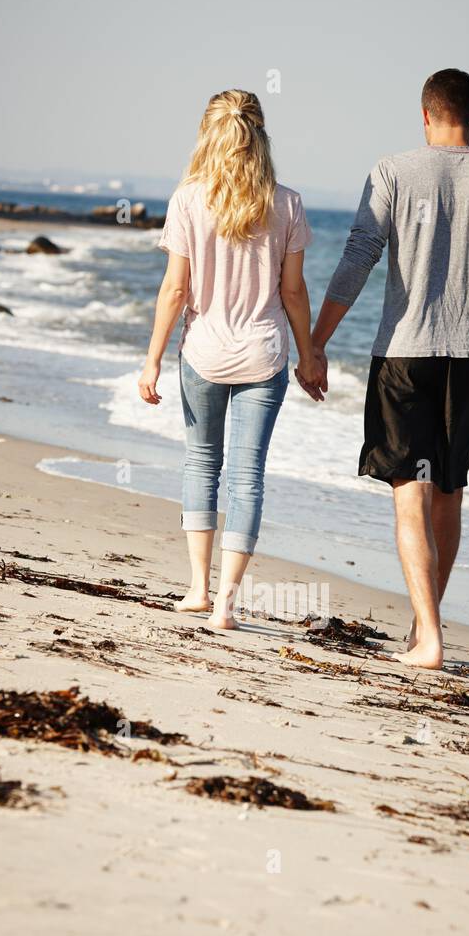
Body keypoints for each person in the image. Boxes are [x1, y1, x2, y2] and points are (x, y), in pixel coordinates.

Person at [301, 68, 469, 668]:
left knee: (409, 490)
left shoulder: (391, 171)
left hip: (406, 354)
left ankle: (429, 638)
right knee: (449, 492)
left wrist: (315, 341)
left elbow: (359, 256)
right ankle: (422, 629)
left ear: (425, 115)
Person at [139, 89, 323, 630]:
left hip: (202, 354)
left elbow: (175, 290)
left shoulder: (188, 200)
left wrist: (150, 362)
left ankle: (197, 588)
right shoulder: (287, 203)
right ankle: (225, 604)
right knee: (247, 477)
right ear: (261, 135)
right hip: (263, 356)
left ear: (208, 135)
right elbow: (293, 293)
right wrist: (309, 356)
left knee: (201, 462)